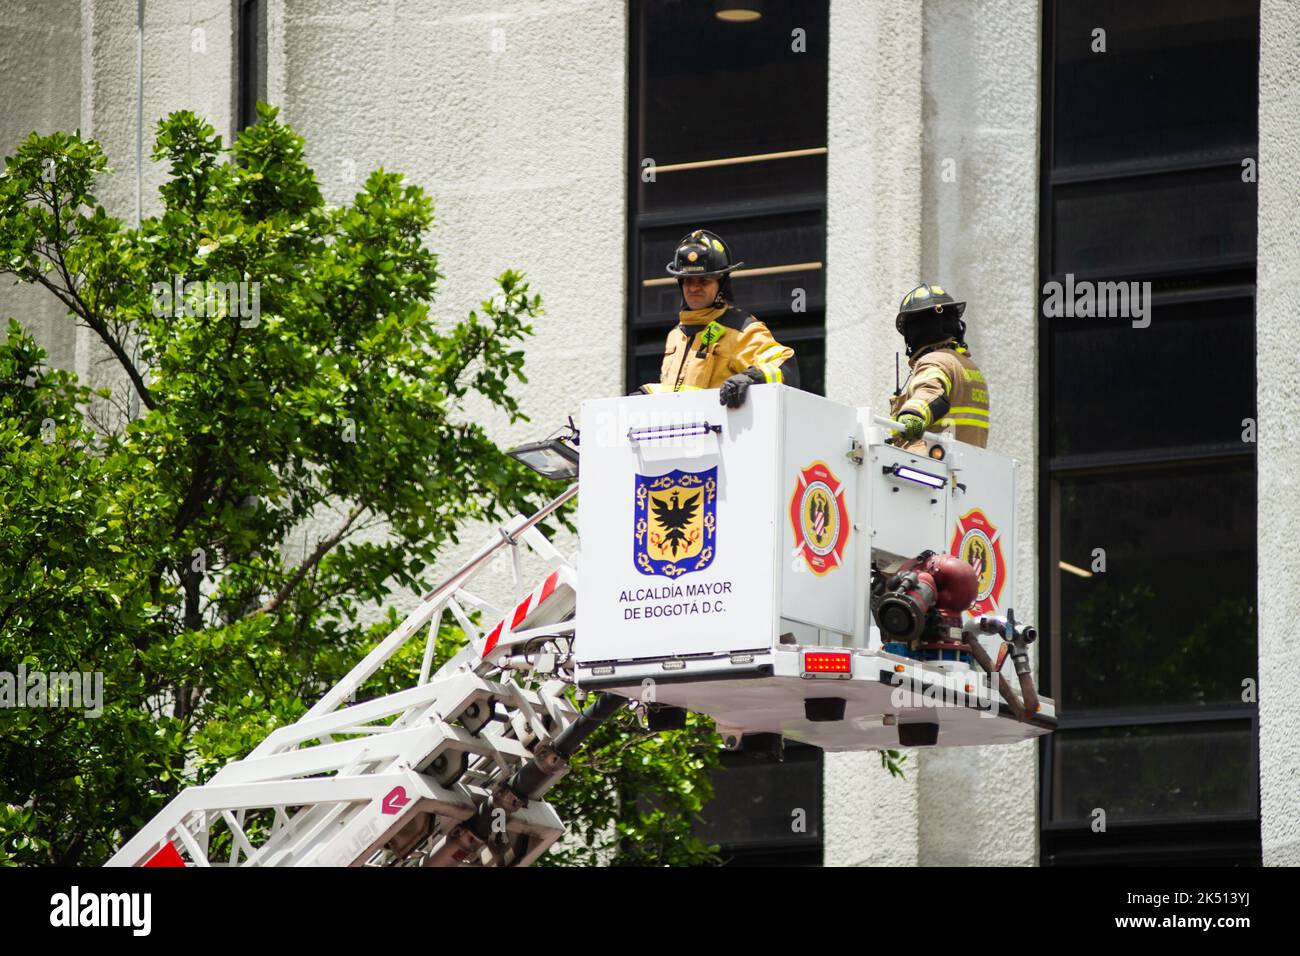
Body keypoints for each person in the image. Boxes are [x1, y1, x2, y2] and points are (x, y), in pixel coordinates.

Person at [637, 229, 798, 407]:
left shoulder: (740, 329)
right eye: (688, 280)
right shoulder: (676, 335)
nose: (694, 288)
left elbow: (785, 365)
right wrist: (648, 395)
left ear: (721, 283)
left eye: (704, 280)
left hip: (722, 433)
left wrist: (750, 378)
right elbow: (679, 395)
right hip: (680, 431)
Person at [889, 283, 989, 451]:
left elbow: (930, 391)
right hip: (969, 467)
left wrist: (913, 414)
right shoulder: (969, 368)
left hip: (929, 466)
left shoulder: (936, 360)